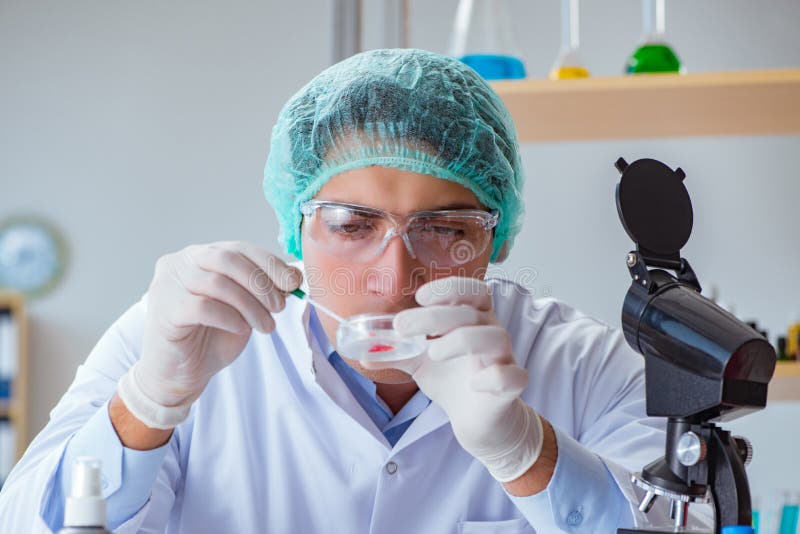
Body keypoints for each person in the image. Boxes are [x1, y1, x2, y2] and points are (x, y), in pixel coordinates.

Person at [0, 48, 706, 533]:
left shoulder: (582, 365)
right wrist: (147, 404)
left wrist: (529, 455)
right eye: (350, 224)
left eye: (446, 227)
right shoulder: (180, 335)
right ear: (293, 226)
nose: (395, 277)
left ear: (499, 236)